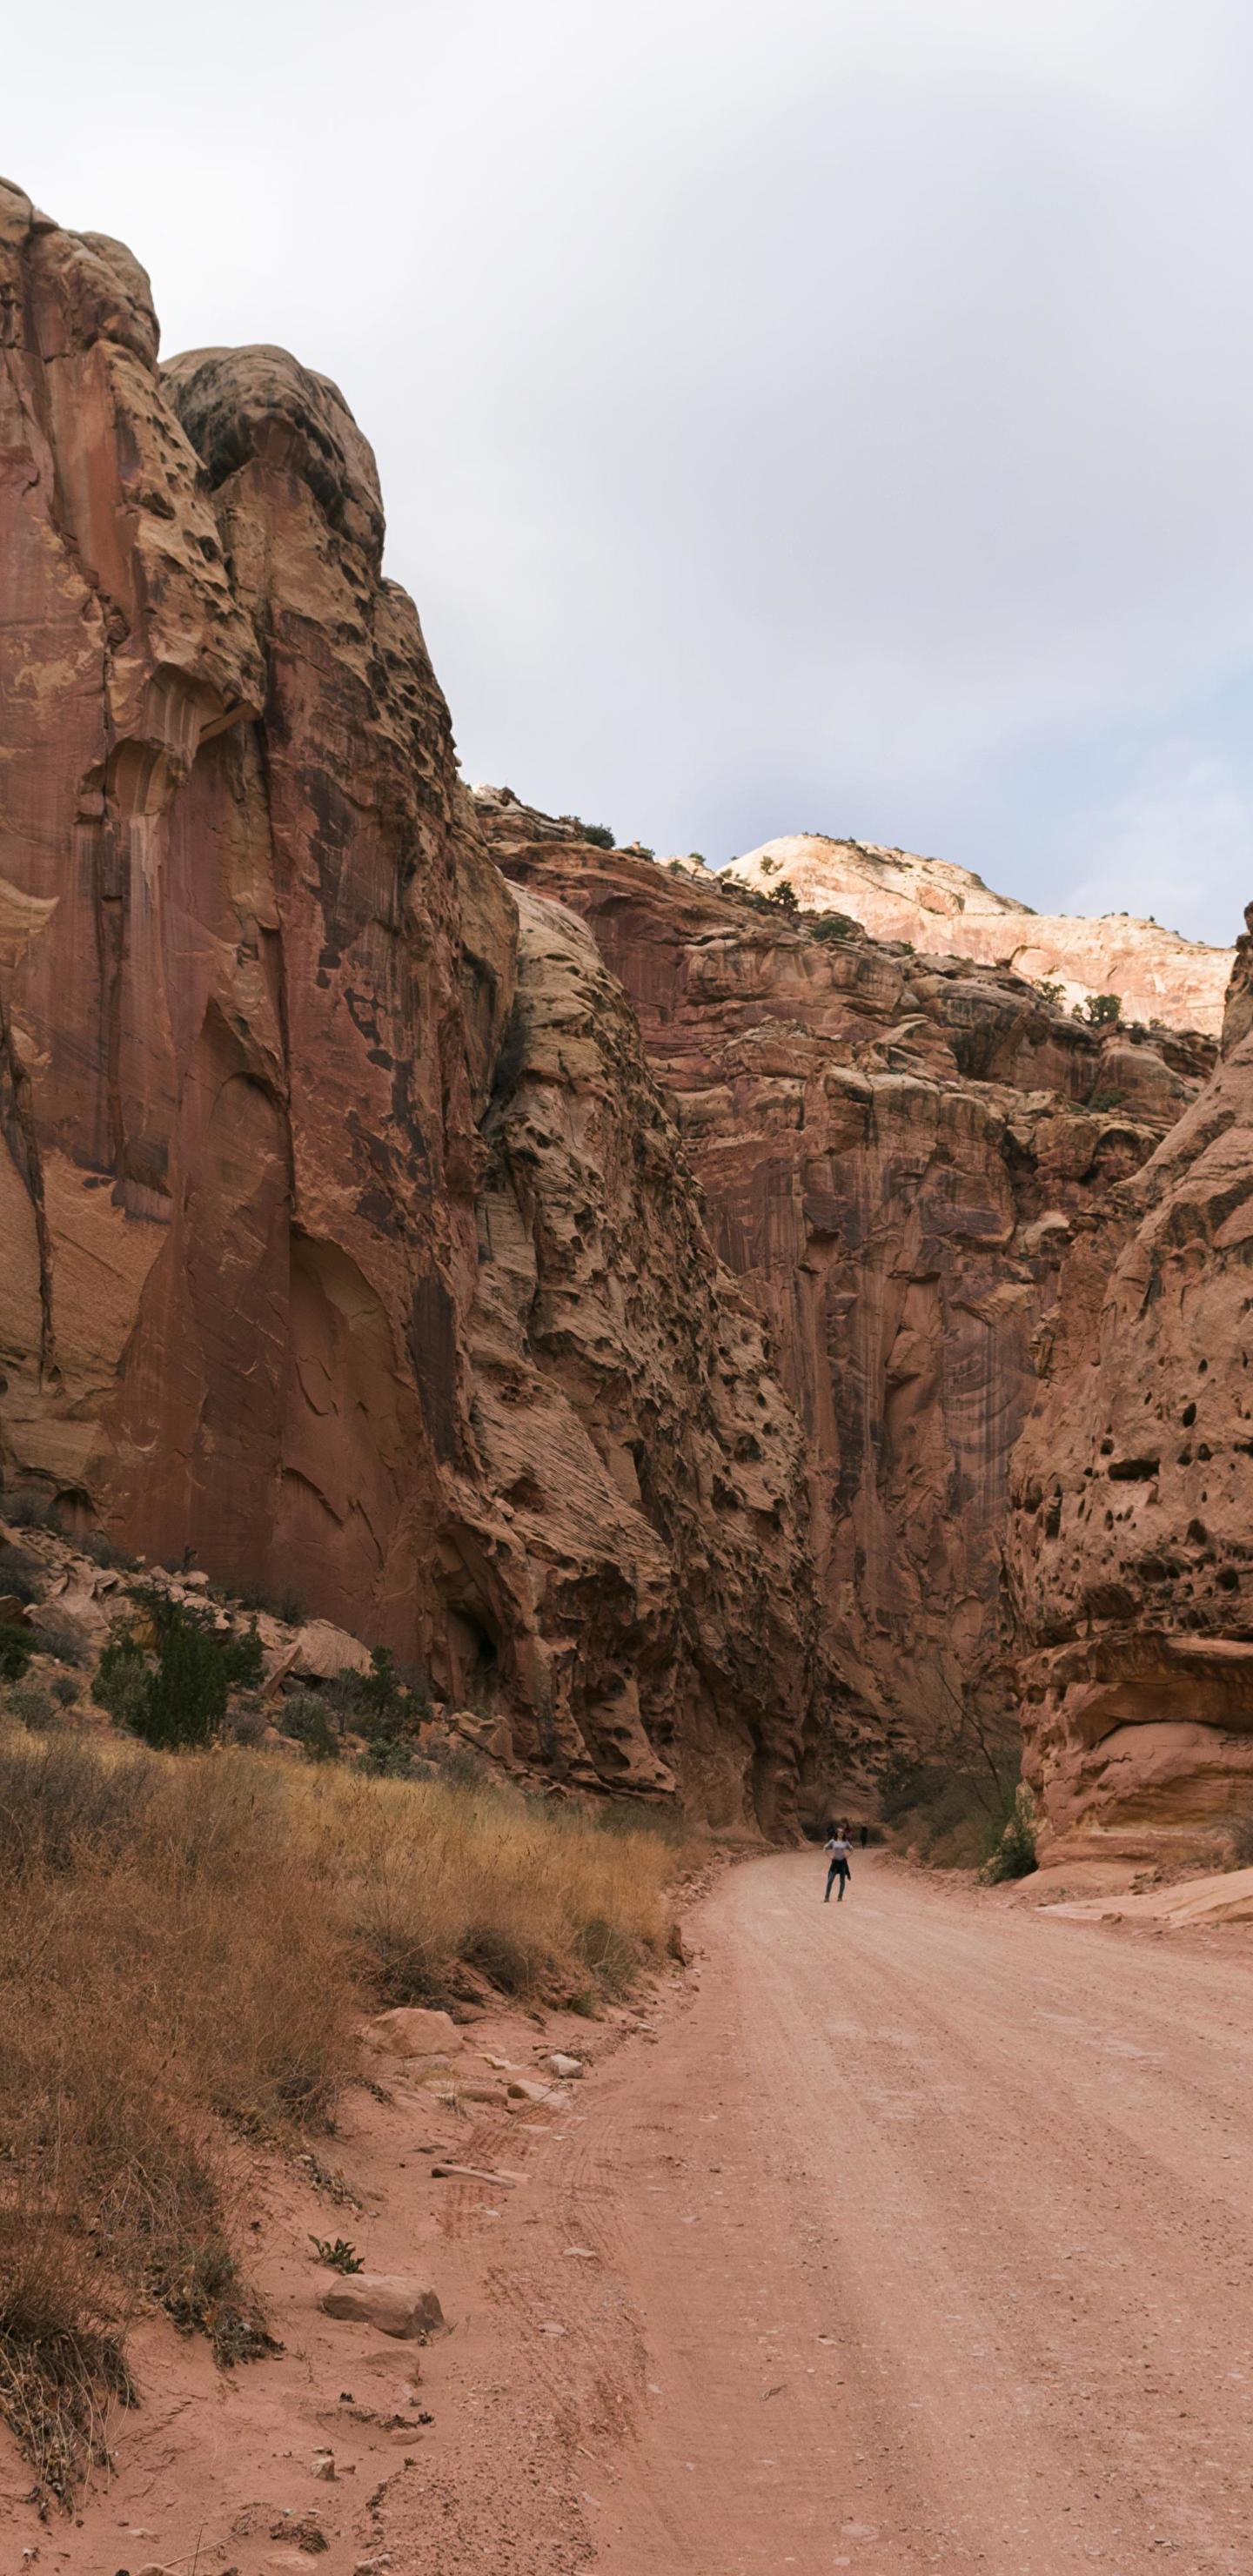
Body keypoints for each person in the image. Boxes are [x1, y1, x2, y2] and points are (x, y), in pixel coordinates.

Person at [823, 1829, 853, 1903]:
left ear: (843, 1834)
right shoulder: (833, 1841)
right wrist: (830, 1856)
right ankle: (827, 1897)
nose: (840, 1833)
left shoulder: (845, 1842)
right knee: (830, 1880)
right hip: (835, 1862)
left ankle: (840, 1897)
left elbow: (851, 1849)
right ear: (837, 1833)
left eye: (842, 1832)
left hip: (842, 1863)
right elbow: (825, 1848)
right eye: (839, 1832)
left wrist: (847, 1856)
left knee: (842, 1881)